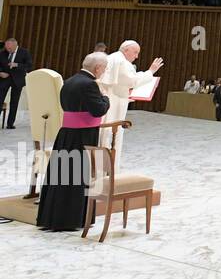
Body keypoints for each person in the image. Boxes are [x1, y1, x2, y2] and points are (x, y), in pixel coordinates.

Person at [36, 53, 124, 231]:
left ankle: (52, 215)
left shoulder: (69, 81)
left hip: (66, 134)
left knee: (61, 175)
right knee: (76, 176)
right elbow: (98, 110)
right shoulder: (90, 84)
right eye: (104, 69)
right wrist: (105, 98)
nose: (104, 72)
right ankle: (70, 219)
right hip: (82, 136)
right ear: (97, 68)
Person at [99, 41, 162, 168]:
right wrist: (150, 71)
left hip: (108, 101)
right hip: (114, 105)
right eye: (135, 52)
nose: (136, 56)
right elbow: (133, 81)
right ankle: (109, 168)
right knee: (111, 134)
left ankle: (102, 167)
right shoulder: (122, 62)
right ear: (126, 50)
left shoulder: (110, 58)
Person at [0, 37, 33, 129]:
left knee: (14, 102)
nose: (7, 50)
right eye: (6, 48)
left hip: (17, 80)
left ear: (15, 45)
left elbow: (29, 66)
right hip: (4, 79)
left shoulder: (24, 52)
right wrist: (0, 73)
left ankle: (10, 124)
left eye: (9, 48)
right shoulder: (3, 53)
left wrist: (17, 65)